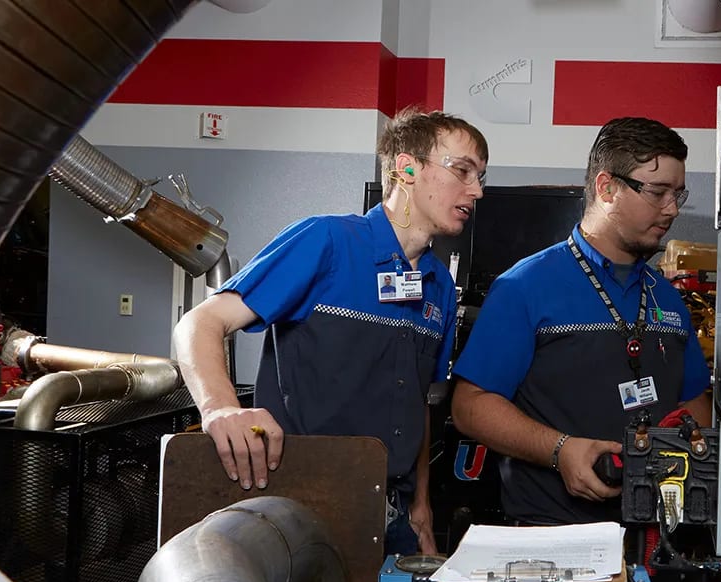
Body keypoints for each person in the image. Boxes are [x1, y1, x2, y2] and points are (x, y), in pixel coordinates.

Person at [173, 107, 488, 555]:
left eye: (480, 177)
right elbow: (200, 322)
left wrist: (421, 505)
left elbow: (417, 401)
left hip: (392, 513)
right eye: (462, 171)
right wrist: (221, 409)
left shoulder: (438, 285)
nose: (475, 190)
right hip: (300, 508)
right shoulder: (327, 242)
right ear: (407, 168)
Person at [450, 117, 711, 526]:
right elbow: (471, 407)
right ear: (606, 187)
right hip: (550, 538)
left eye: (678, 194)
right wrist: (560, 450)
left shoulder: (667, 300)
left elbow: (695, 404)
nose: (672, 209)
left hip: (654, 538)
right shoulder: (525, 287)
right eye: (657, 192)